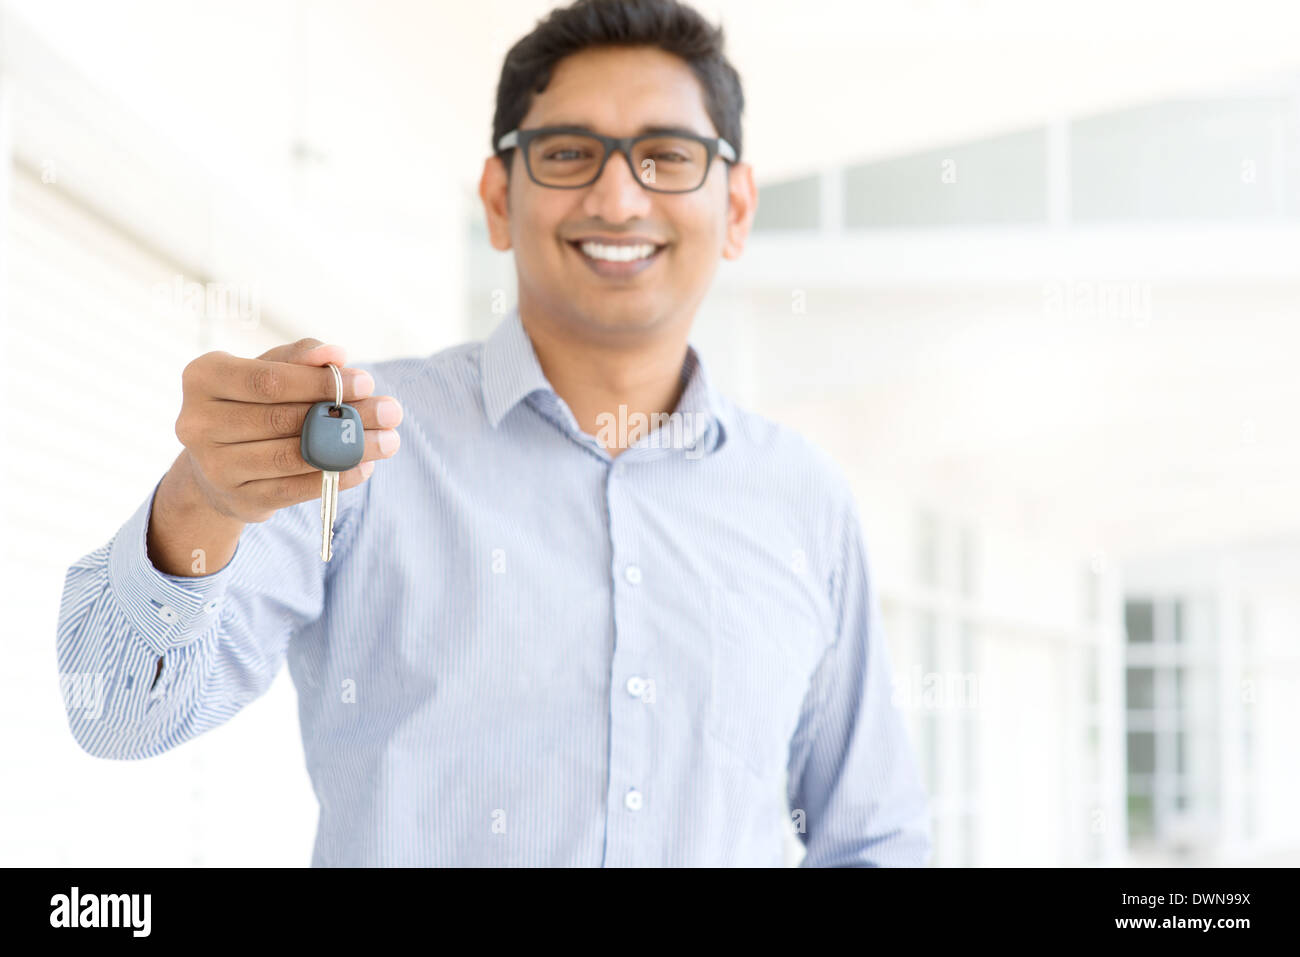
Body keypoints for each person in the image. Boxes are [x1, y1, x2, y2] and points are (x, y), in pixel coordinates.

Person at [57, 0, 932, 867]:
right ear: (498, 199)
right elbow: (118, 712)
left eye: (667, 156)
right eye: (568, 154)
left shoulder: (804, 502)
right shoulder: (367, 445)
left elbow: (874, 838)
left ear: (736, 206)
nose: (618, 196)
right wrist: (199, 506)